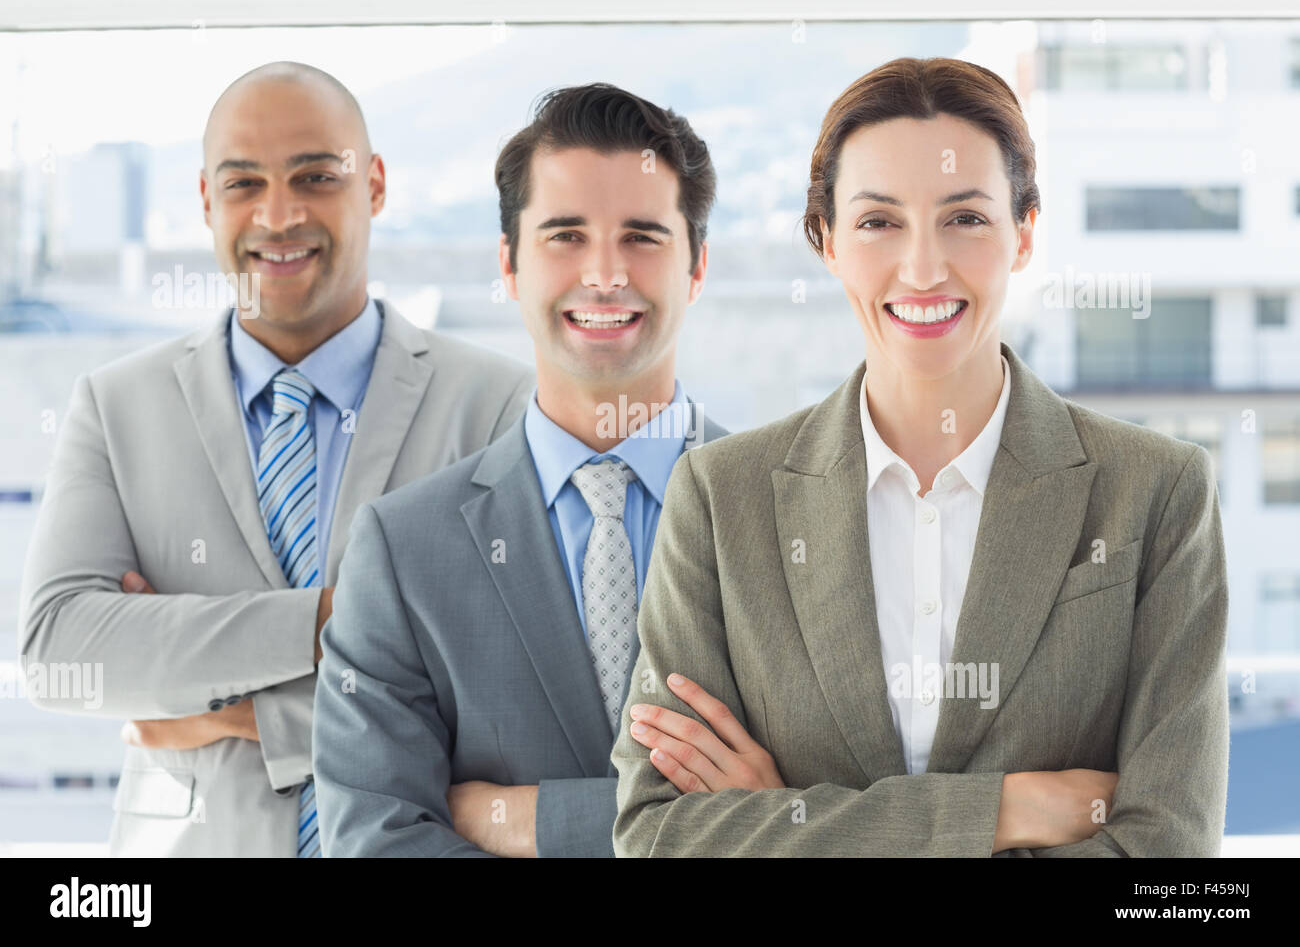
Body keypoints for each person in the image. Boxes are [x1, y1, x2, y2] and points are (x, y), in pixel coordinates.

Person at [611, 57, 1229, 857]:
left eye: (965, 218)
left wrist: (796, 824)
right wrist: (1002, 813)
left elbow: (1167, 859)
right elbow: (659, 834)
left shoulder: (1158, 492)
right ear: (826, 240)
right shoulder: (721, 498)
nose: (925, 267)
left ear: (1025, 233)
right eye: (878, 222)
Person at [18, 61, 533, 857]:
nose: (279, 215)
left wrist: (237, 711)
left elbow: (504, 689)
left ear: (376, 185)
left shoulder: (495, 405)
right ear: (204, 201)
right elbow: (60, 653)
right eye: (243, 183)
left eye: (315, 177)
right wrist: (332, 619)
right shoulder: (117, 406)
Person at [313, 83, 741, 857]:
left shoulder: (801, 515)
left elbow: (837, 815)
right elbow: (377, 843)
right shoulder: (404, 551)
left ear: (697, 266)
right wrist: (722, 824)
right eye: (566, 236)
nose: (605, 274)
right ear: (509, 264)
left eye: (642, 235)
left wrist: (526, 820)